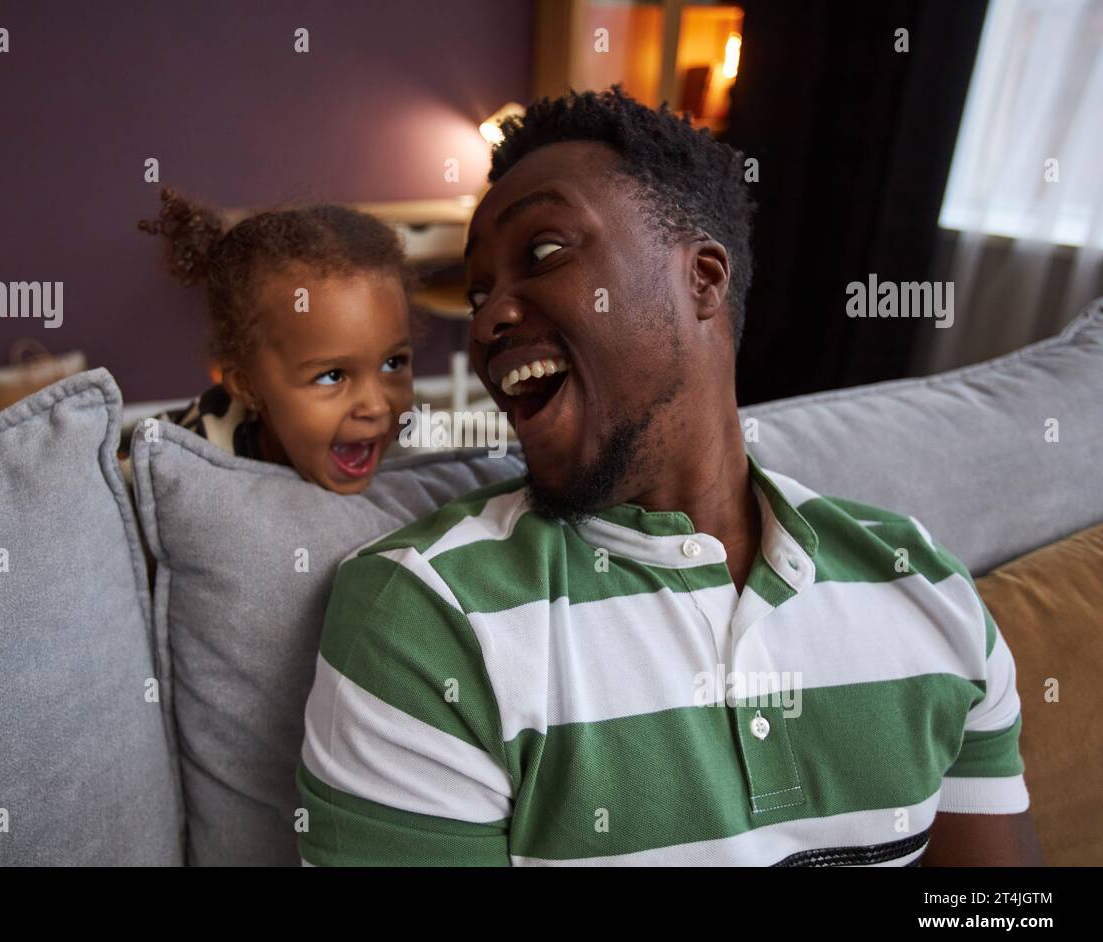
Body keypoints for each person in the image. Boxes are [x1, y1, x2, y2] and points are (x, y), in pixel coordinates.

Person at [295, 87, 1042, 866]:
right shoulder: (428, 615)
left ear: (704, 279)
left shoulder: (921, 580)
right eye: (478, 295)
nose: (485, 323)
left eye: (544, 253)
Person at [137, 191, 417, 492]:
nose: (376, 407)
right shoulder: (190, 469)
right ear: (248, 386)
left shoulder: (406, 461)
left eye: (393, 363)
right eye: (332, 376)